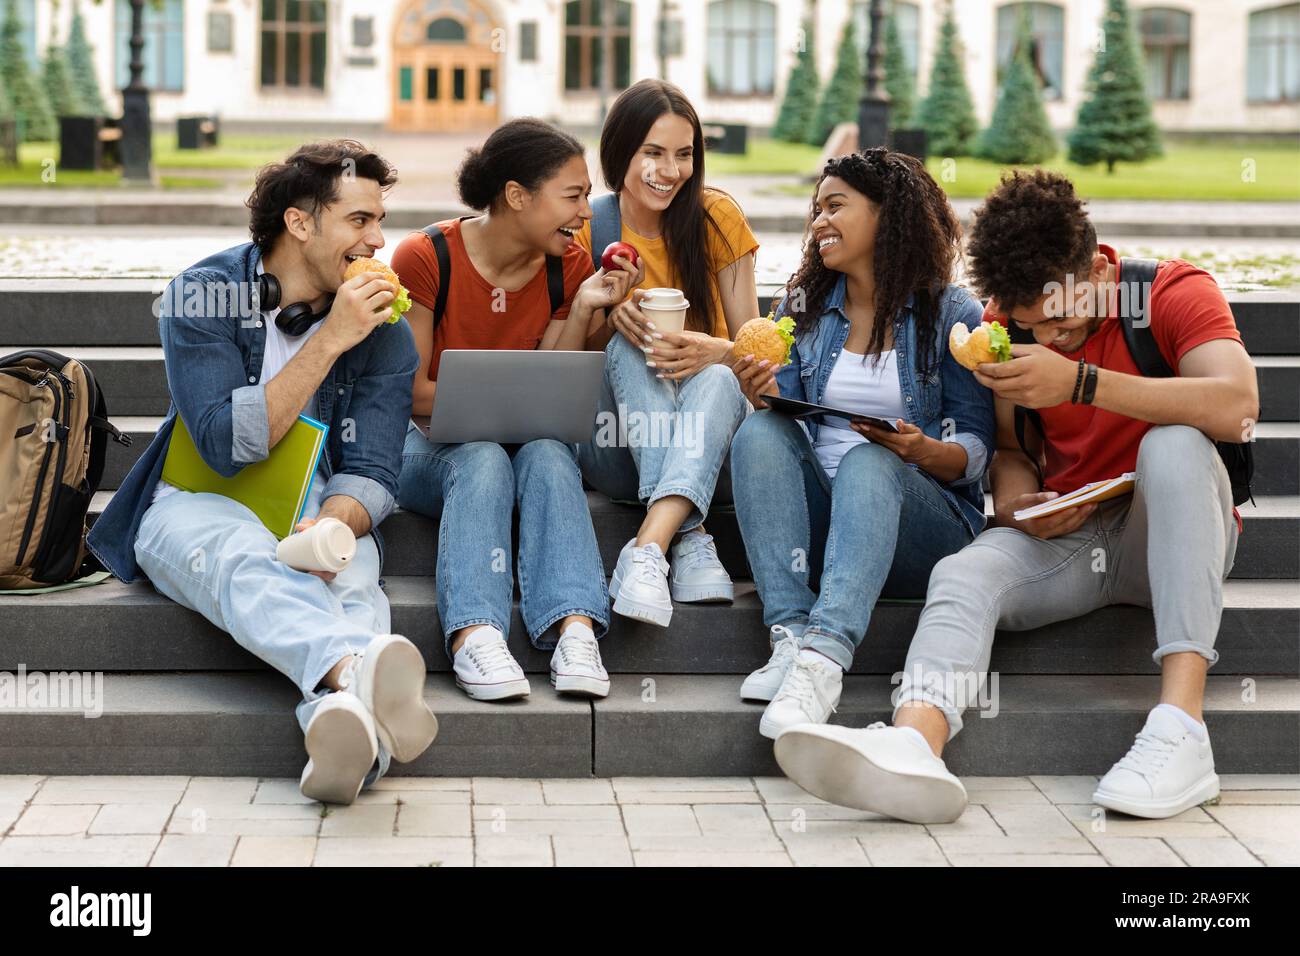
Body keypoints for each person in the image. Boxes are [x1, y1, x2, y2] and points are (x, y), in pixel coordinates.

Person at [774, 170, 1258, 823]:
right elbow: (1010, 454)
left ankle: (1181, 729)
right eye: (1033, 324)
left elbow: (1237, 406)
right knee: (964, 573)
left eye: (1060, 317)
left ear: (1094, 267)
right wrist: (1019, 506)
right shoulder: (1006, 328)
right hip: (1073, 538)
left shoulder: (1171, 291)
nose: (1048, 337)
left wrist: (1082, 383)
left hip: (1172, 534)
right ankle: (916, 742)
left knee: (1173, 445)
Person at [87, 141, 438, 805]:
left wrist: (331, 527)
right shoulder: (203, 295)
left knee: (355, 582)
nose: (379, 240)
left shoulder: (387, 332)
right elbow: (224, 443)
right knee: (246, 558)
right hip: (194, 501)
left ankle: (344, 732)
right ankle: (356, 670)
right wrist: (330, 338)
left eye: (380, 220)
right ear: (300, 223)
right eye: (360, 221)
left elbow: (374, 471)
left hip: (314, 505)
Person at [729, 148, 995, 740]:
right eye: (816, 208)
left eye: (836, 206)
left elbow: (976, 449)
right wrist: (759, 392)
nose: (819, 221)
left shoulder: (950, 311)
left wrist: (922, 450)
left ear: (888, 215)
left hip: (923, 531)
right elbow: (788, 418)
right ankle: (791, 635)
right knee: (760, 429)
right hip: (830, 532)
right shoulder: (804, 308)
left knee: (870, 458)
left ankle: (822, 665)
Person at [391, 119, 639, 703]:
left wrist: (583, 310)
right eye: (573, 195)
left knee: (551, 451)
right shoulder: (426, 257)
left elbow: (548, 391)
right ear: (516, 196)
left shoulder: (568, 265)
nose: (586, 213)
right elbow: (412, 392)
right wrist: (500, 405)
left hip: (524, 448)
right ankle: (475, 634)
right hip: (420, 447)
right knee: (481, 457)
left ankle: (574, 628)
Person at [575, 79, 758, 629]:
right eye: (652, 152)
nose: (669, 170)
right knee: (634, 345)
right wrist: (607, 321)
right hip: (616, 444)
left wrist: (716, 350)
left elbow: (756, 351)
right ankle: (693, 535)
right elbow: (571, 367)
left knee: (720, 379)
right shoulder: (587, 228)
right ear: (620, 153)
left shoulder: (715, 218)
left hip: (715, 433)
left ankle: (650, 548)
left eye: (683, 155)